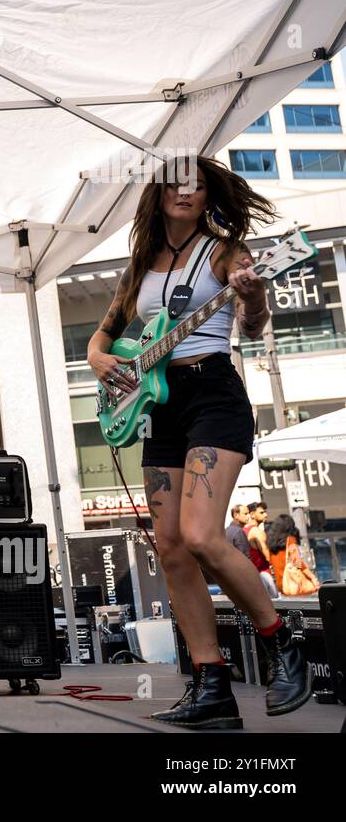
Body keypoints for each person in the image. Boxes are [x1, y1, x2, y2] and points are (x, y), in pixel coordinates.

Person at [86, 155, 309, 730]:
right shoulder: (140, 264)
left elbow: (254, 325)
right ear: (158, 194)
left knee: (202, 535)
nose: (186, 191)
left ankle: (284, 643)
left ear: (209, 195)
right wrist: (99, 358)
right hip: (159, 404)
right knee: (170, 547)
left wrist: (253, 295)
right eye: (177, 182)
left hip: (212, 394)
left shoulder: (225, 251)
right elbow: (104, 336)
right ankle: (211, 684)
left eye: (198, 184)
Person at [267, 514, 319, 597]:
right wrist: (312, 577)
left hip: (281, 585)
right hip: (294, 583)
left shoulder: (270, 544)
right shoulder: (290, 540)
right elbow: (297, 562)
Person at [245, 502, 278, 597]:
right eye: (261, 512)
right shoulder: (257, 532)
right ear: (252, 514)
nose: (266, 515)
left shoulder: (244, 530)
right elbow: (267, 555)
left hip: (253, 576)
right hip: (263, 575)